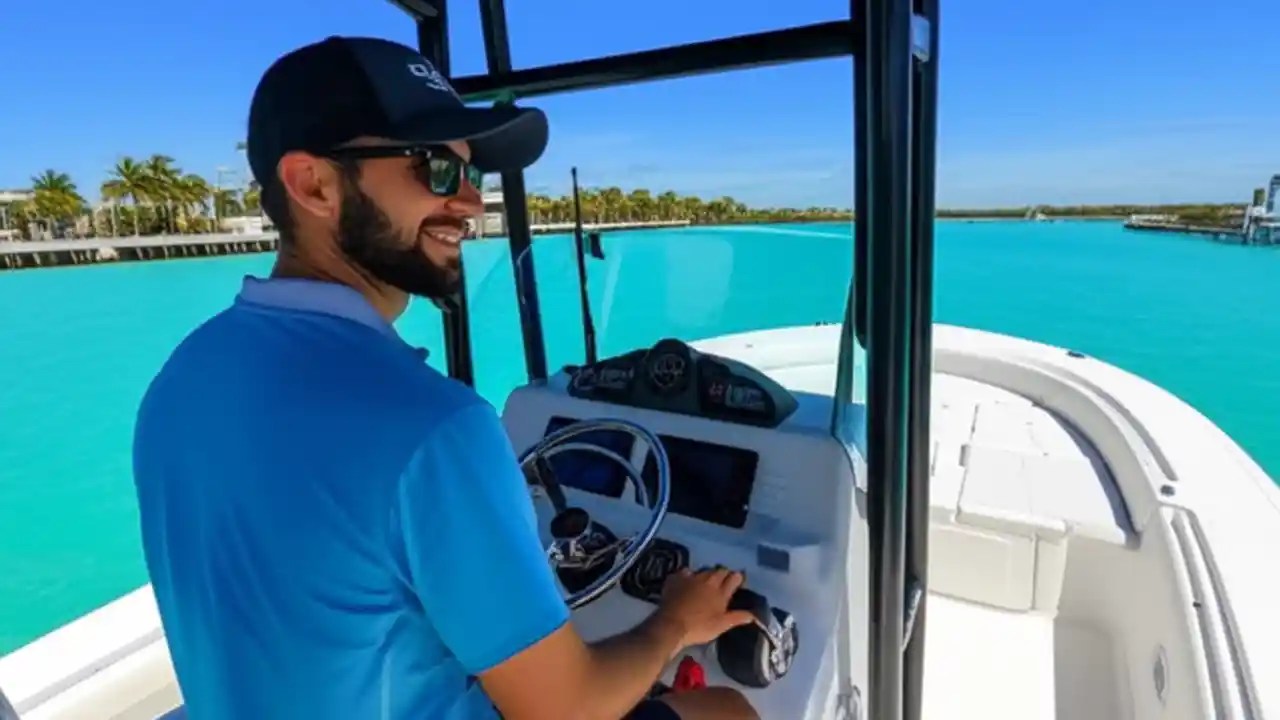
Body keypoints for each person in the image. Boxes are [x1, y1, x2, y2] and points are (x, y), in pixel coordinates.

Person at [132, 35, 761, 720]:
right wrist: (673, 623)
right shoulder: (433, 427)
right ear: (313, 184)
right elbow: (566, 709)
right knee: (727, 709)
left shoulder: (182, 377)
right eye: (433, 169)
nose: (469, 203)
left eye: (472, 175)